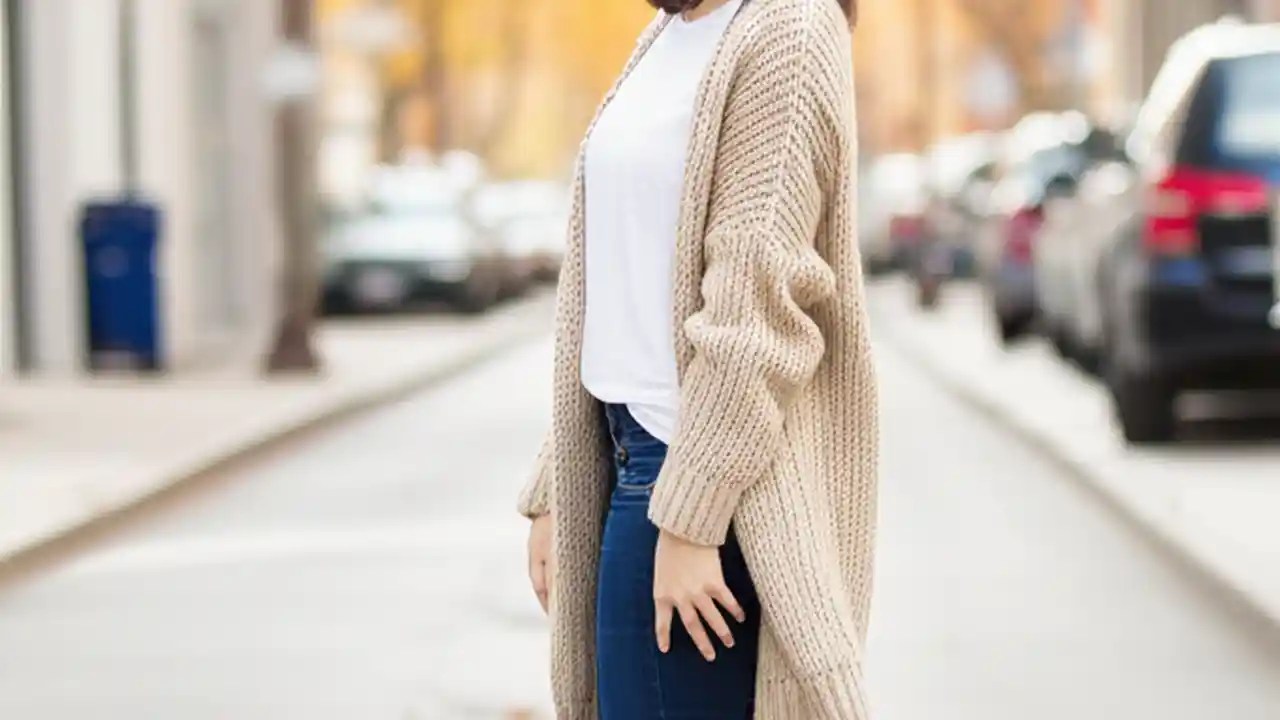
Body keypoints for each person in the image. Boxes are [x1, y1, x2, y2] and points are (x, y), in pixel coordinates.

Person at [518, 0, 876, 716]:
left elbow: (757, 304)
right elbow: (620, 283)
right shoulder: (670, 34)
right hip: (625, 460)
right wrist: (558, 481)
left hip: (701, 486)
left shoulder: (790, 29)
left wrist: (690, 520)